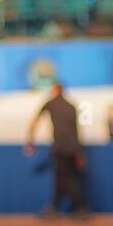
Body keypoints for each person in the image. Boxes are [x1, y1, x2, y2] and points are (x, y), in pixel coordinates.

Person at [25, 82, 88, 217]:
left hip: (60, 147)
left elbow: (35, 121)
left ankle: (80, 207)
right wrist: (80, 153)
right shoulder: (72, 107)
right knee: (62, 178)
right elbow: (77, 131)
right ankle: (54, 207)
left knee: (66, 178)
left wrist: (30, 141)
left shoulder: (51, 103)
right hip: (72, 148)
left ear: (54, 91)